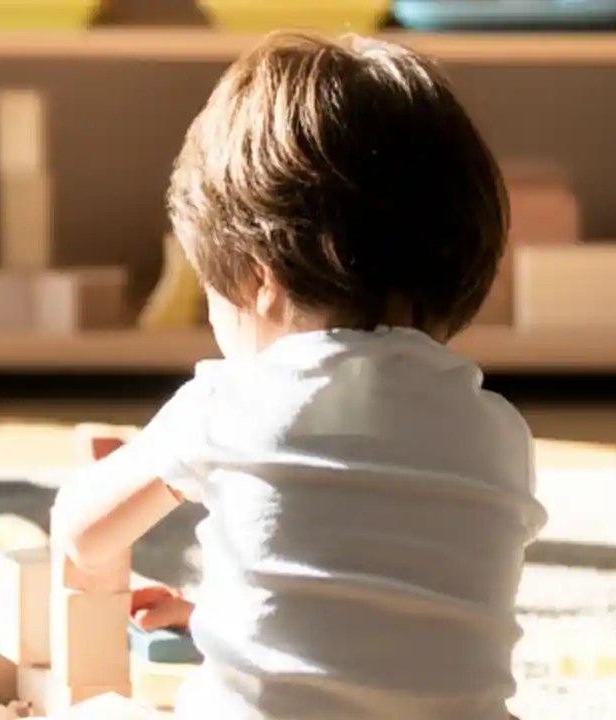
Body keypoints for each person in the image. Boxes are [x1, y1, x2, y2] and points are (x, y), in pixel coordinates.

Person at [51, 31, 547, 720]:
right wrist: (228, 617)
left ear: (261, 280)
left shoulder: (230, 403)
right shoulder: (499, 434)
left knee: (100, 710)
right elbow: (404, 605)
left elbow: (82, 532)